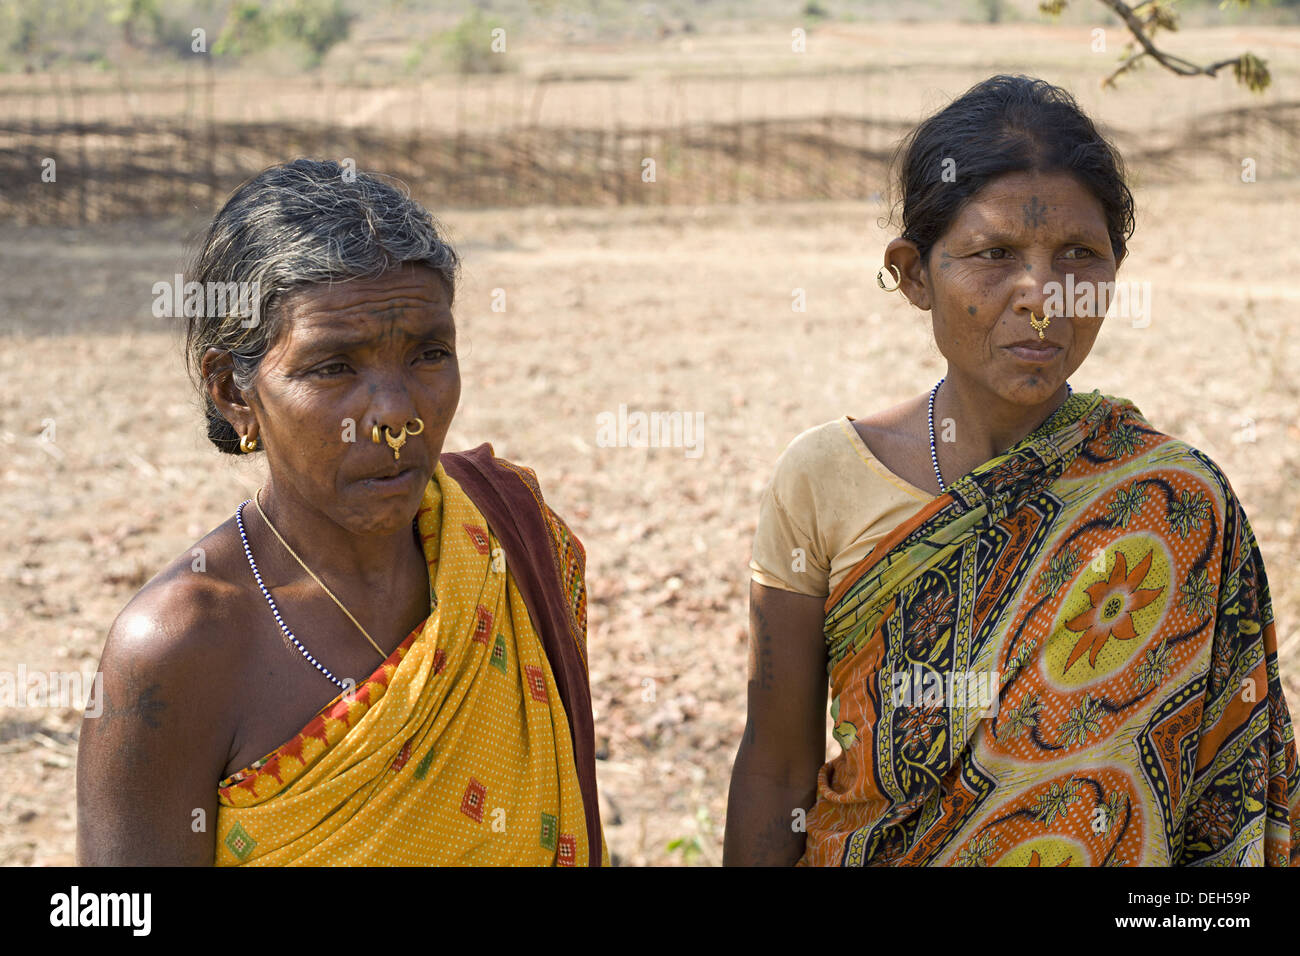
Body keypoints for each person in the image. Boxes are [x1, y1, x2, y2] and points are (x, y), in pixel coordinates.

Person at [725, 74, 1300, 866]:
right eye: (994, 254)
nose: (1043, 296)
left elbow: (1225, 786)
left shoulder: (1176, 500)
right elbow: (777, 764)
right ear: (915, 273)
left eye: (1078, 256)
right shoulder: (825, 478)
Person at [76, 158, 606, 866]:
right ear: (233, 394)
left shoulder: (505, 535)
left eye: (429, 354)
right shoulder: (177, 649)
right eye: (334, 367)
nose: (394, 414)